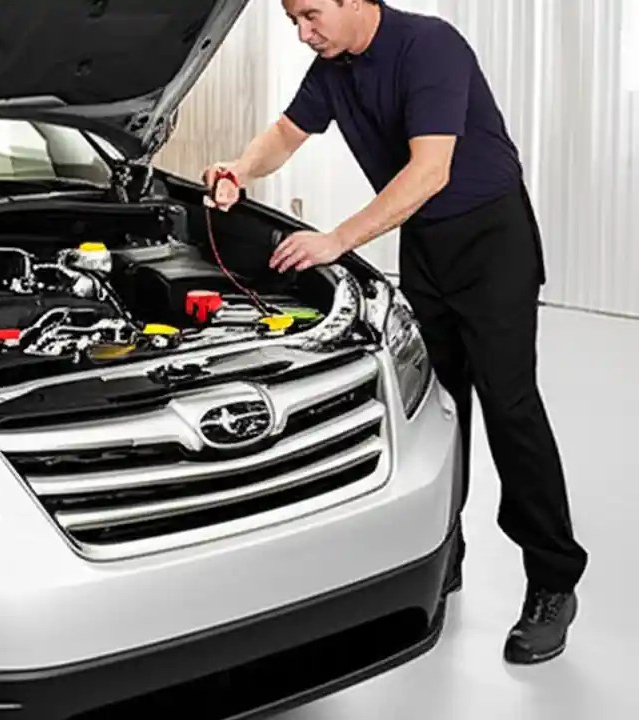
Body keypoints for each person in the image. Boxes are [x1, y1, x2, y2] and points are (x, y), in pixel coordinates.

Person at [204, 0, 588, 665]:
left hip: (490, 240)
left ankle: (553, 581)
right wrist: (240, 167)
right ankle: (447, 549)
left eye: (311, 14)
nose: (303, 32)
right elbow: (287, 133)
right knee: (437, 406)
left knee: (509, 404)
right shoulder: (331, 64)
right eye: (292, 20)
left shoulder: (430, 46)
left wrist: (336, 240)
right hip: (427, 245)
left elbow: (430, 171)